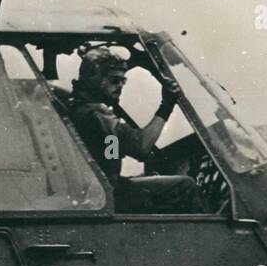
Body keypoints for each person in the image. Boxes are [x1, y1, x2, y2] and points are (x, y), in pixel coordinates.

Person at [64, 45, 208, 214]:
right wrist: (166, 105)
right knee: (186, 186)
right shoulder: (96, 113)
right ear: (95, 79)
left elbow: (110, 151)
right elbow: (141, 147)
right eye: (114, 80)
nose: (120, 86)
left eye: (122, 81)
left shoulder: (81, 108)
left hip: (101, 189)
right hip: (105, 194)